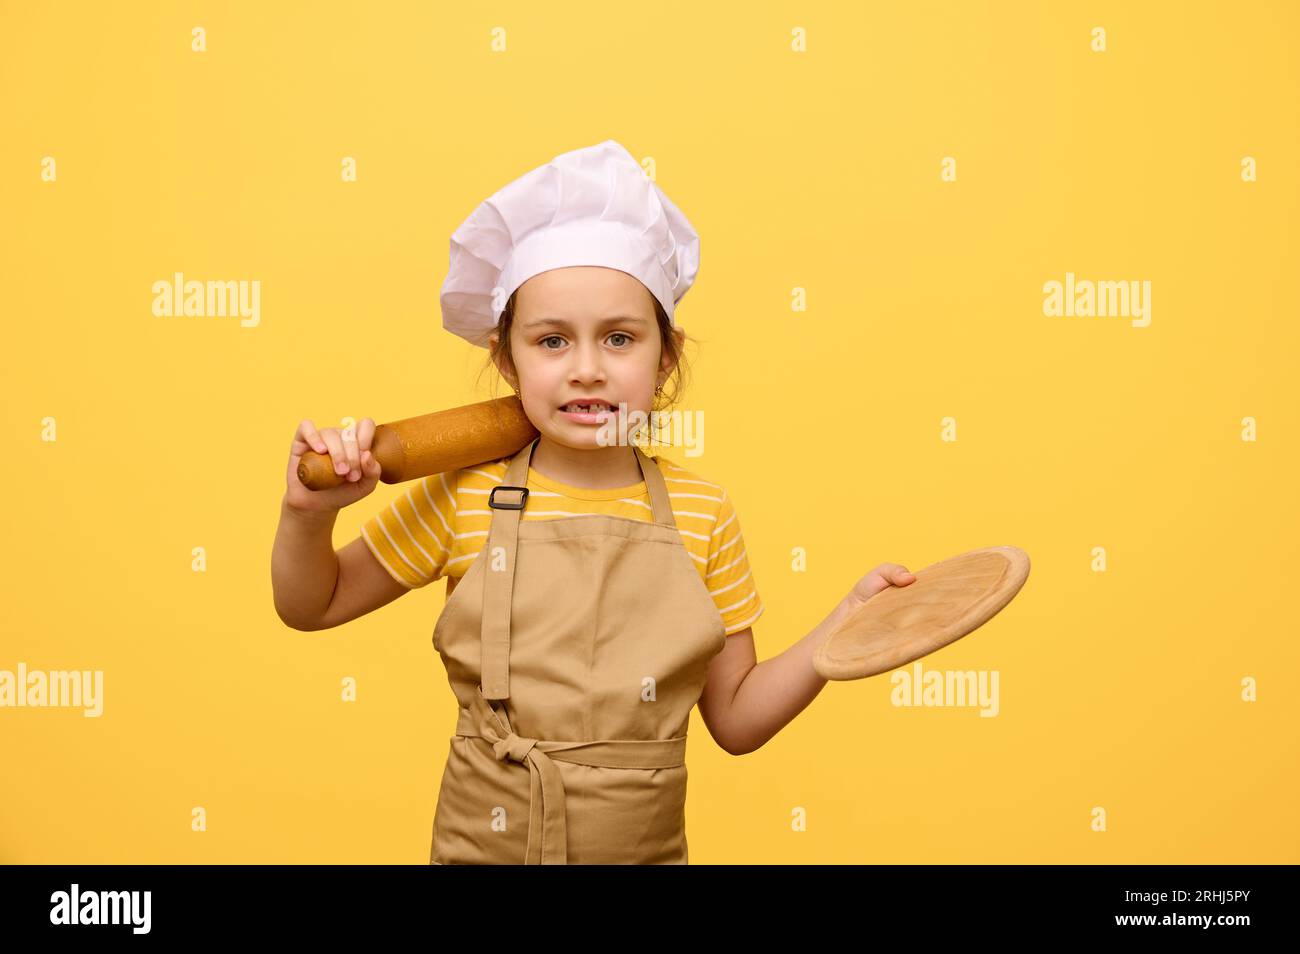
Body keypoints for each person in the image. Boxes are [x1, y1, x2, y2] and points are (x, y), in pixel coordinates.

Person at [270, 140, 916, 864]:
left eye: (618, 338)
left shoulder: (702, 512)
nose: (586, 371)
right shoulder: (466, 494)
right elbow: (312, 606)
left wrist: (845, 628)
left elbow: (736, 721)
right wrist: (310, 512)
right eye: (551, 341)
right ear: (505, 359)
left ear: (664, 356)